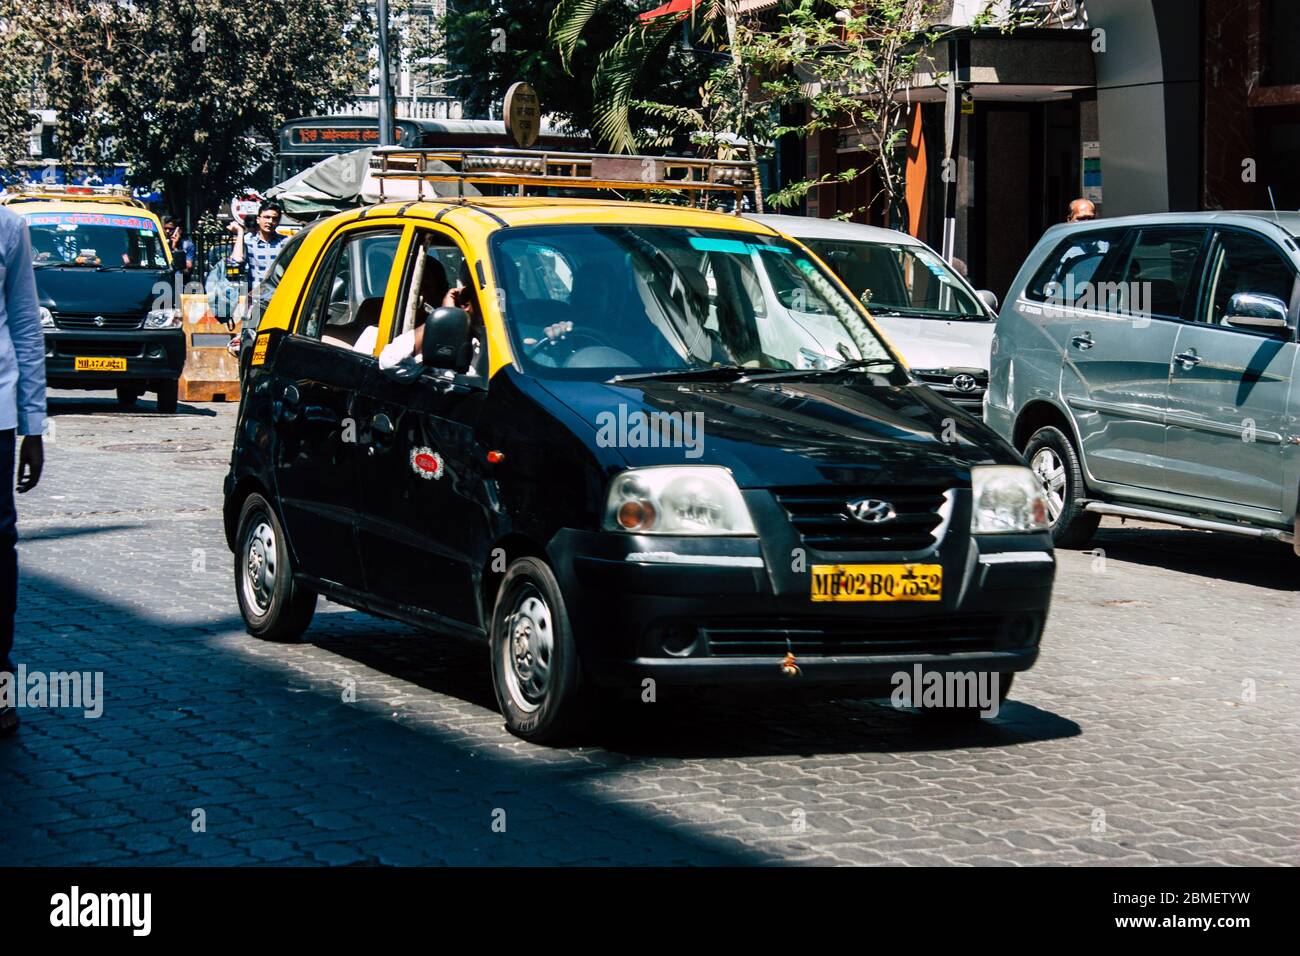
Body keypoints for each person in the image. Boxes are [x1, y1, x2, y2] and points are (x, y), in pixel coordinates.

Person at [0, 206, 47, 737]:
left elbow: (26, 325)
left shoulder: (9, 229)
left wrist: (33, 425)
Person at [228, 202, 285, 288]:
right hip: (256, 295)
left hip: (279, 294)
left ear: (278, 222)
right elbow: (236, 260)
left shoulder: (285, 242)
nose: (270, 221)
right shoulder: (248, 241)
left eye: (274, 218)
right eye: (266, 217)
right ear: (258, 219)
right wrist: (240, 232)